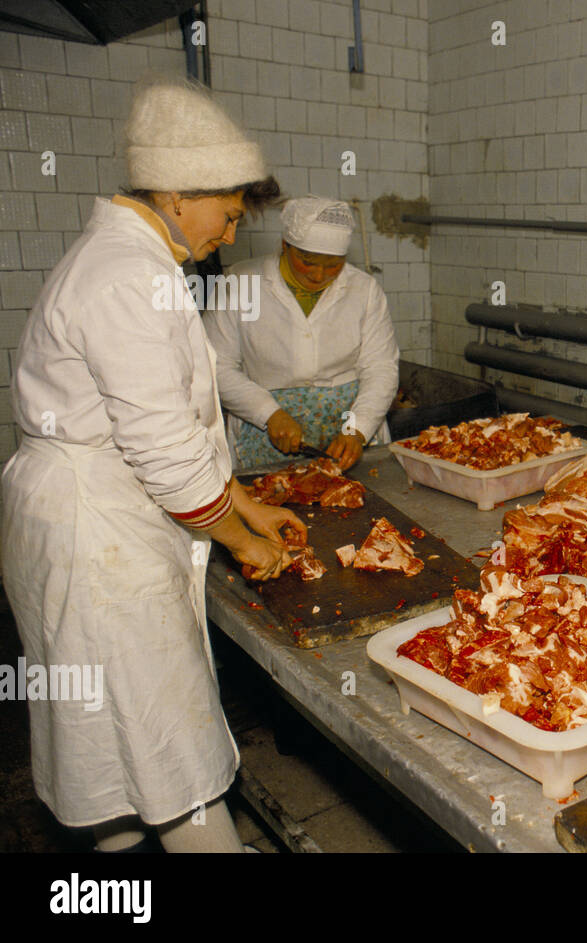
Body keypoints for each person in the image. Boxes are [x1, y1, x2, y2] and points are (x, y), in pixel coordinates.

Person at [1, 76, 305, 853]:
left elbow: (173, 417)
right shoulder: (129, 276)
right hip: (96, 535)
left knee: (113, 740)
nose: (232, 234)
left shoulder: (138, 262)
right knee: (174, 746)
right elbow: (164, 452)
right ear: (176, 193)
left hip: (89, 514)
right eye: (229, 214)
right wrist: (244, 542)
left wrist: (240, 499)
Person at [205, 196, 400, 471]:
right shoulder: (239, 283)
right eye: (307, 261)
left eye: (333, 264)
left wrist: (358, 428)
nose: (320, 275)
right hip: (262, 434)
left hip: (347, 433)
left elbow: (381, 366)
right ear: (285, 246)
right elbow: (217, 364)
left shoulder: (364, 289)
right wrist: (268, 413)